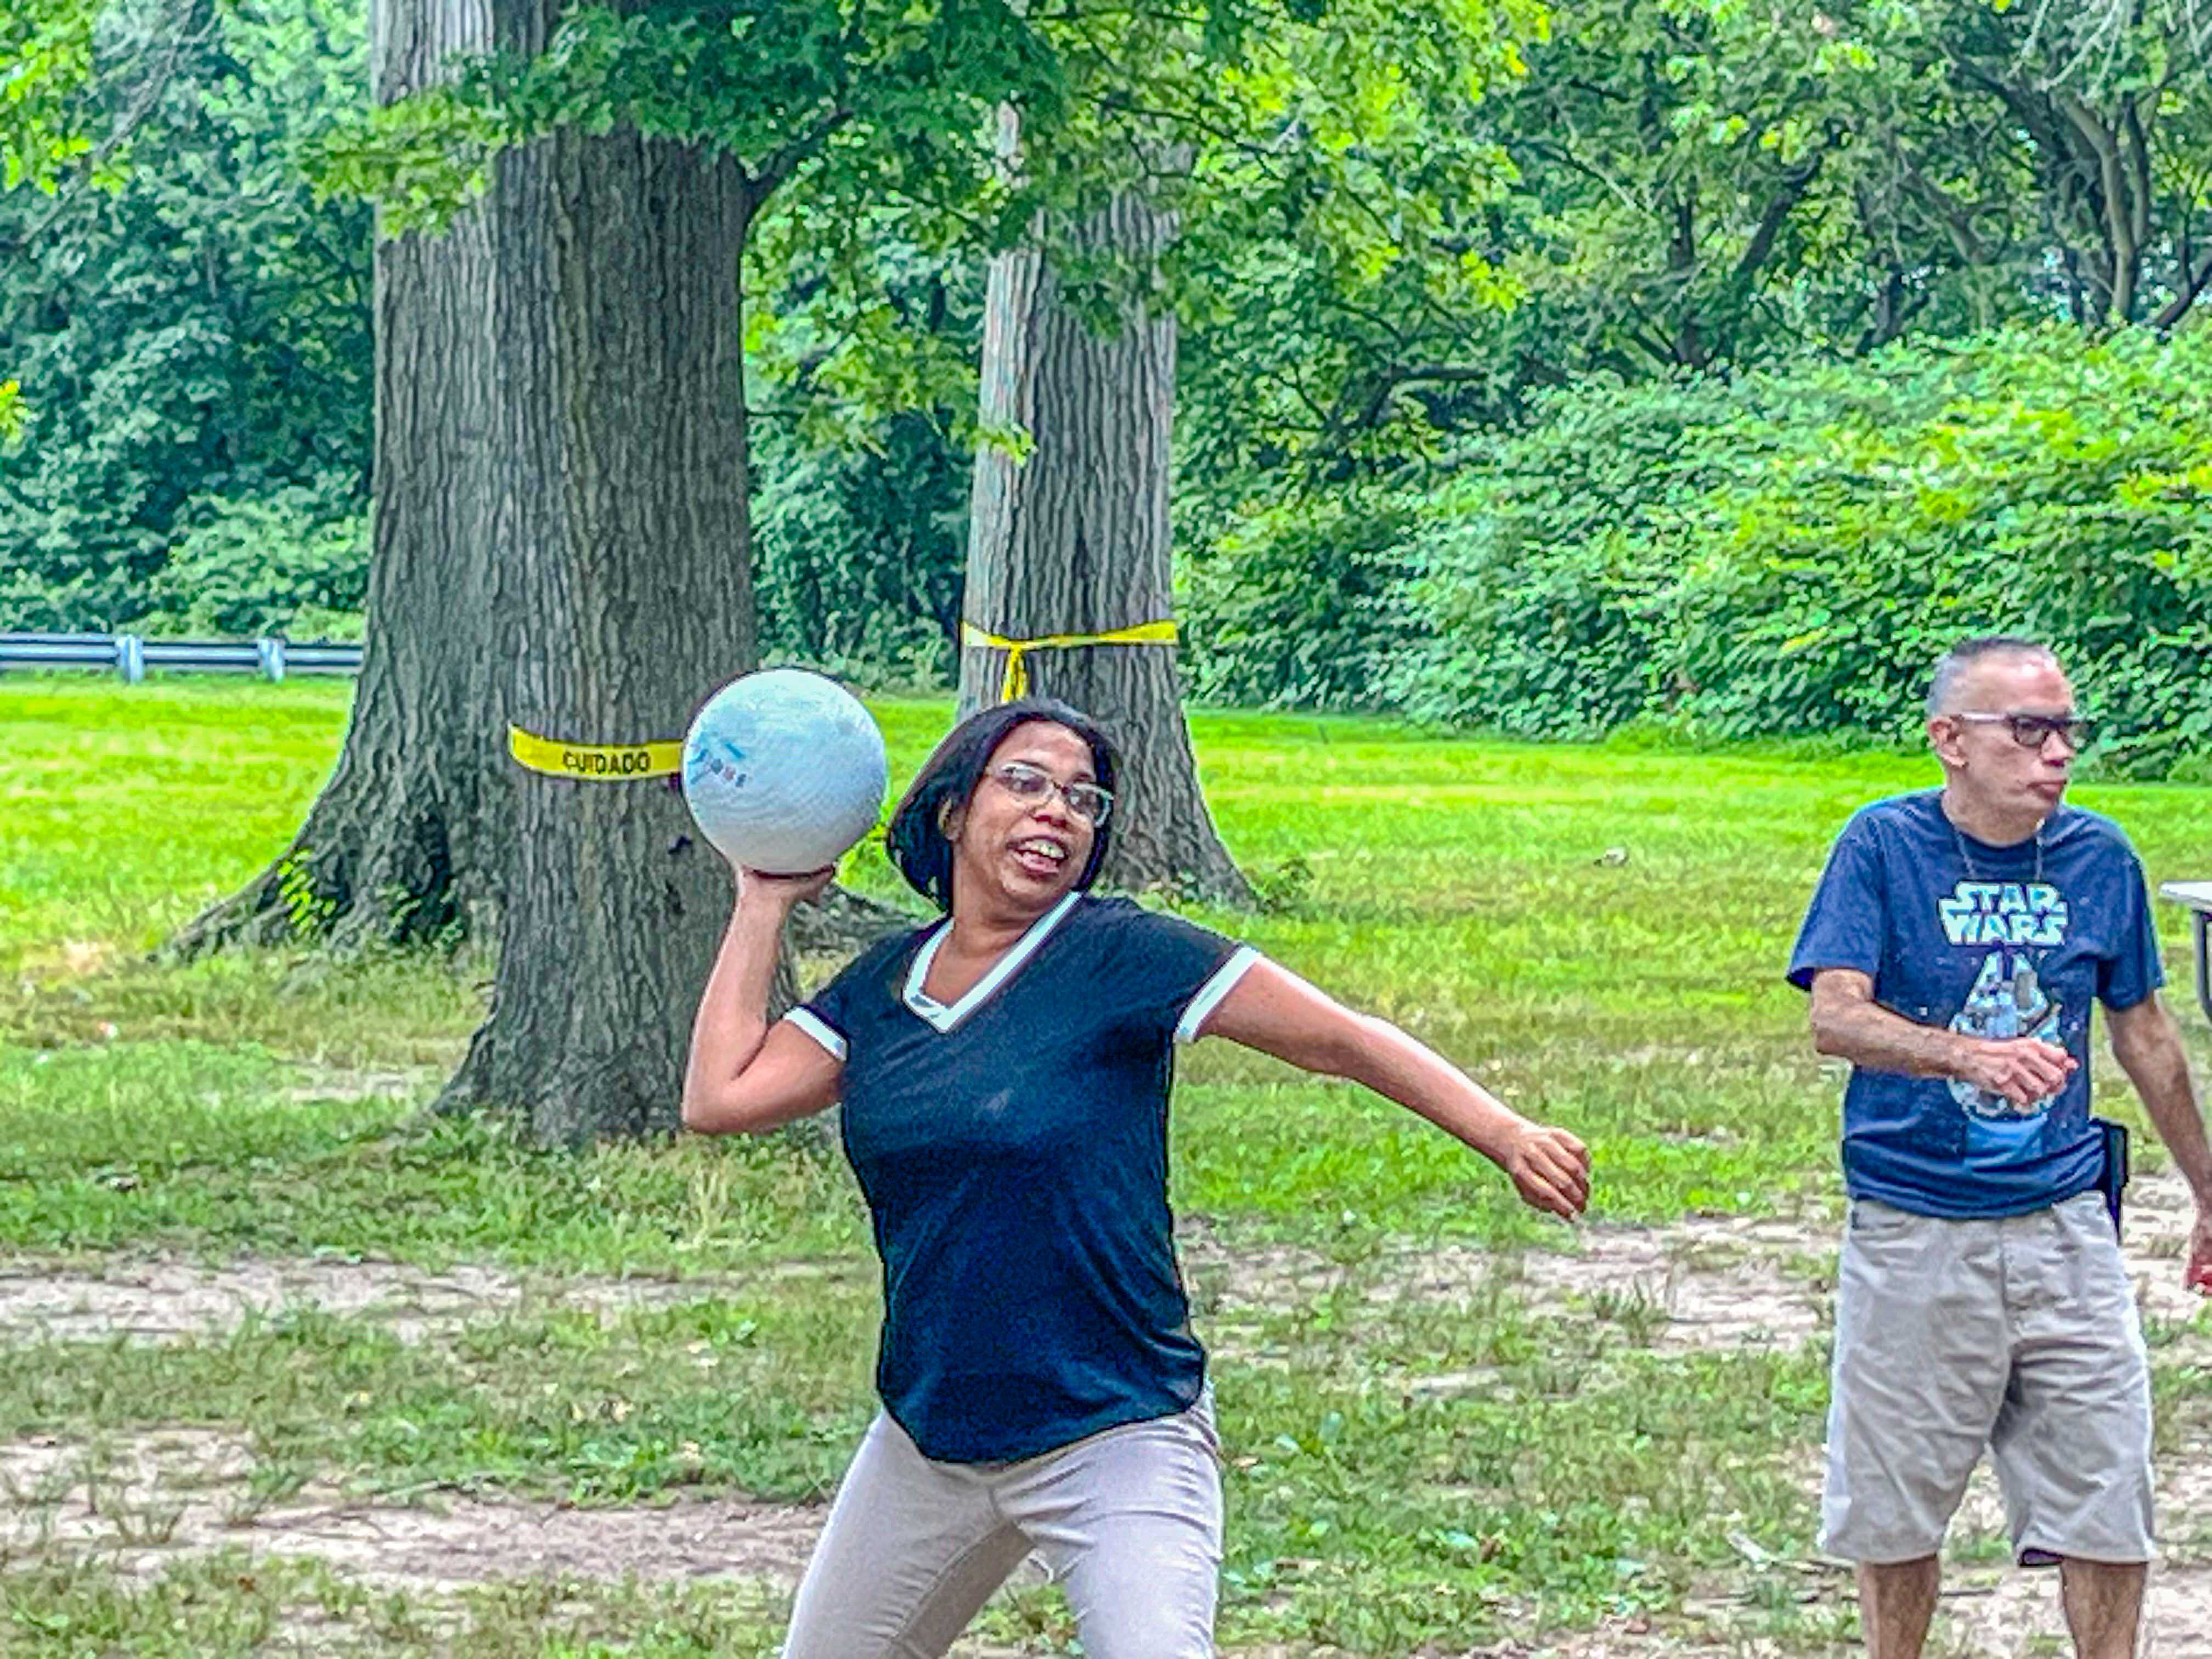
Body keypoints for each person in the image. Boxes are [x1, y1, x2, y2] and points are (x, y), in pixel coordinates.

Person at [682, 696, 1591, 1658]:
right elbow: (720, 1097)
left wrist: (1505, 1131)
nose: (1057, 812)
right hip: (932, 1438)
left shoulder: (1122, 955)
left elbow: (1340, 1039)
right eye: (1025, 783)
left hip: (1117, 1432)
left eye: (1083, 799)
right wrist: (764, 898)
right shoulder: (880, 990)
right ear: (953, 810)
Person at [1788, 636, 2212, 1659]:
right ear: (1950, 741)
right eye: (2028, 729)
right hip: (1914, 1227)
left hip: (2067, 1226)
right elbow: (1834, 1020)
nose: (2057, 752)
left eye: (2068, 729)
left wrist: (2209, 1188)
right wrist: (1959, 1056)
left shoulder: (2100, 857)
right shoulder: (1882, 848)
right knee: (1895, 1511)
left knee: (2109, 1499)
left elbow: (2144, 1032)